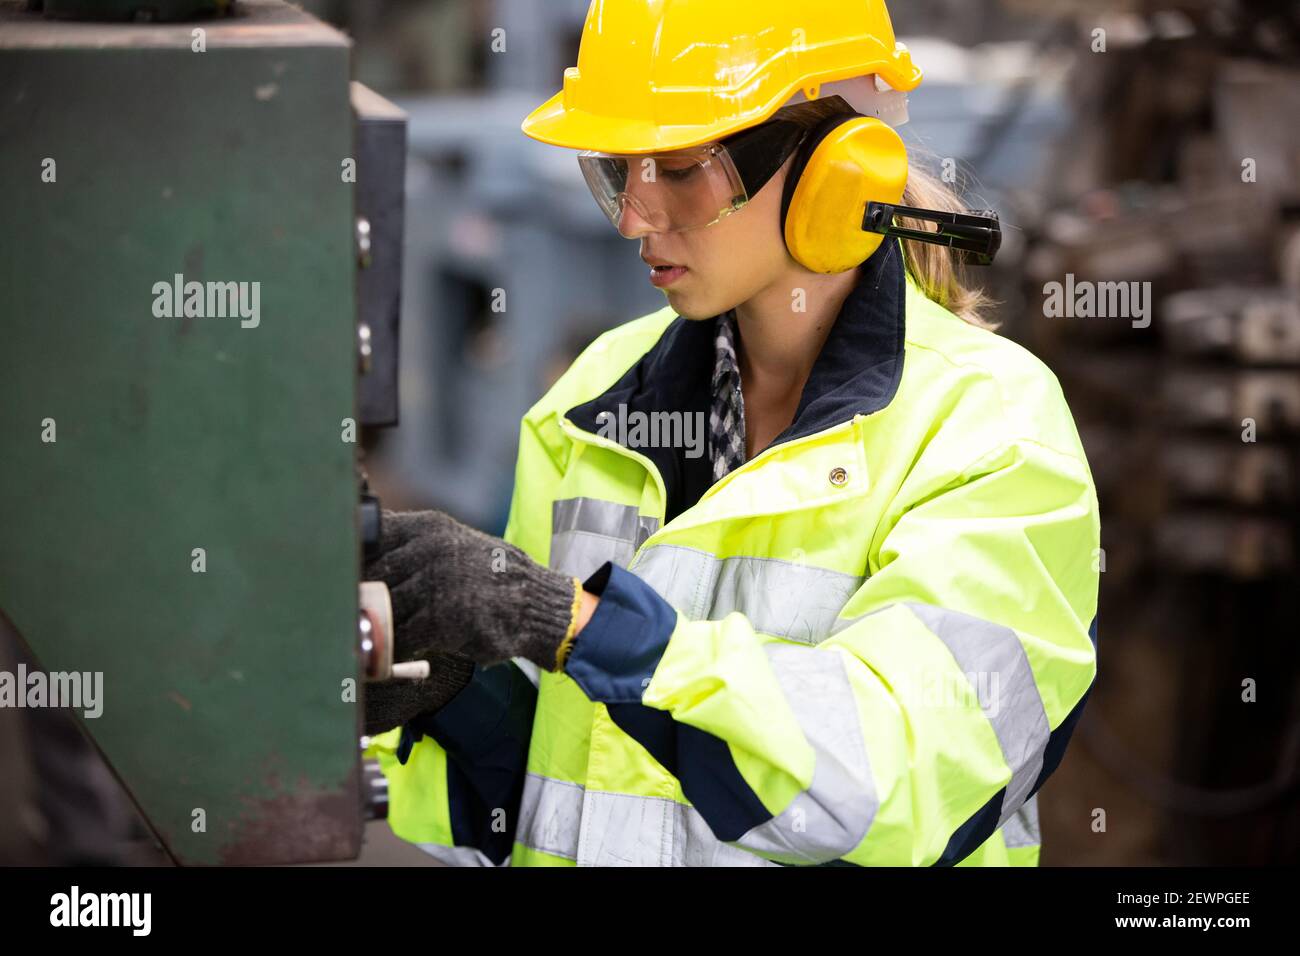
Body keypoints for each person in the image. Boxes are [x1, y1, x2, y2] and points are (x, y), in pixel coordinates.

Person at [364, 0, 1099, 867]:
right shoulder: (595, 398)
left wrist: (581, 625)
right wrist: (448, 694)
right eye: (617, 168)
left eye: (679, 167)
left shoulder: (993, 430)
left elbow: (893, 776)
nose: (635, 215)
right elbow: (557, 781)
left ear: (840, 170)